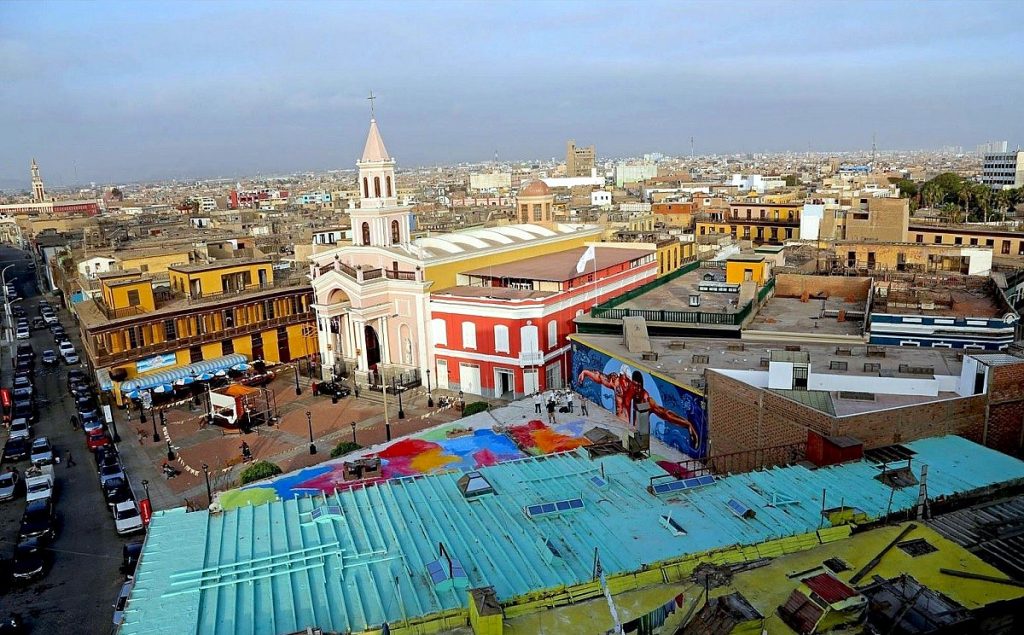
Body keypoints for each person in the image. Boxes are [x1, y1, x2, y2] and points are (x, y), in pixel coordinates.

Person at [577, 366, 700, 450]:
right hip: (618, 430)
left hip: (634, 438)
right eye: (629, 383)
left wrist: (688, 424)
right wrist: (585, 373)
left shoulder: (644, 398)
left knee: (641, 419)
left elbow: (665, 413)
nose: (634, 388)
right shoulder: (616, 383)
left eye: (636, 386)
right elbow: (600, 378)